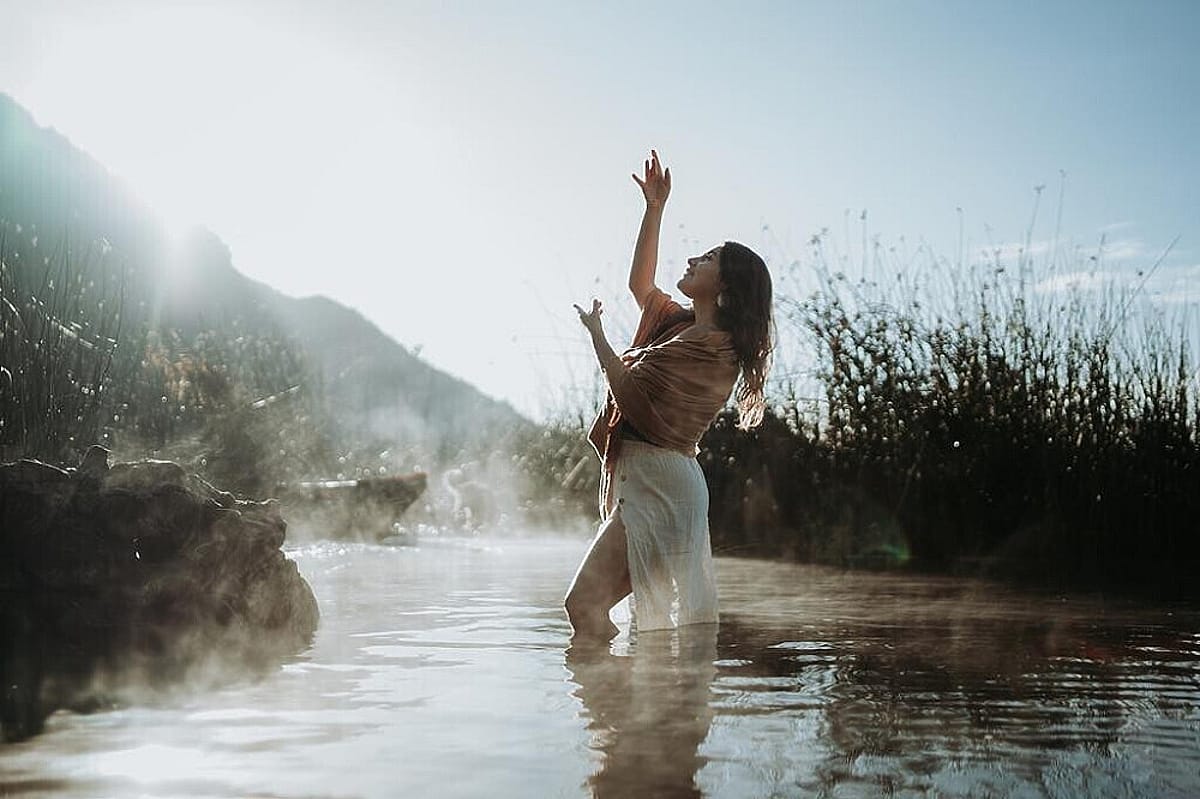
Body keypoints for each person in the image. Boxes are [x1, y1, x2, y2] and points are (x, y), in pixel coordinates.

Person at [565, 149, 774, 639]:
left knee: (582, 606)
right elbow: (640, 284)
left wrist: (598, 338)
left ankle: (620, 709)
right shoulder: (679, 324)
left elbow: (635, 397)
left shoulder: (717, 351)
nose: (693, 259)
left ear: (723, 286)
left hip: (664, 481)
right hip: (647, 474)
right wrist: (653, 209)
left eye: (707, 259)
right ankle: (635, 711)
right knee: (587, 610)